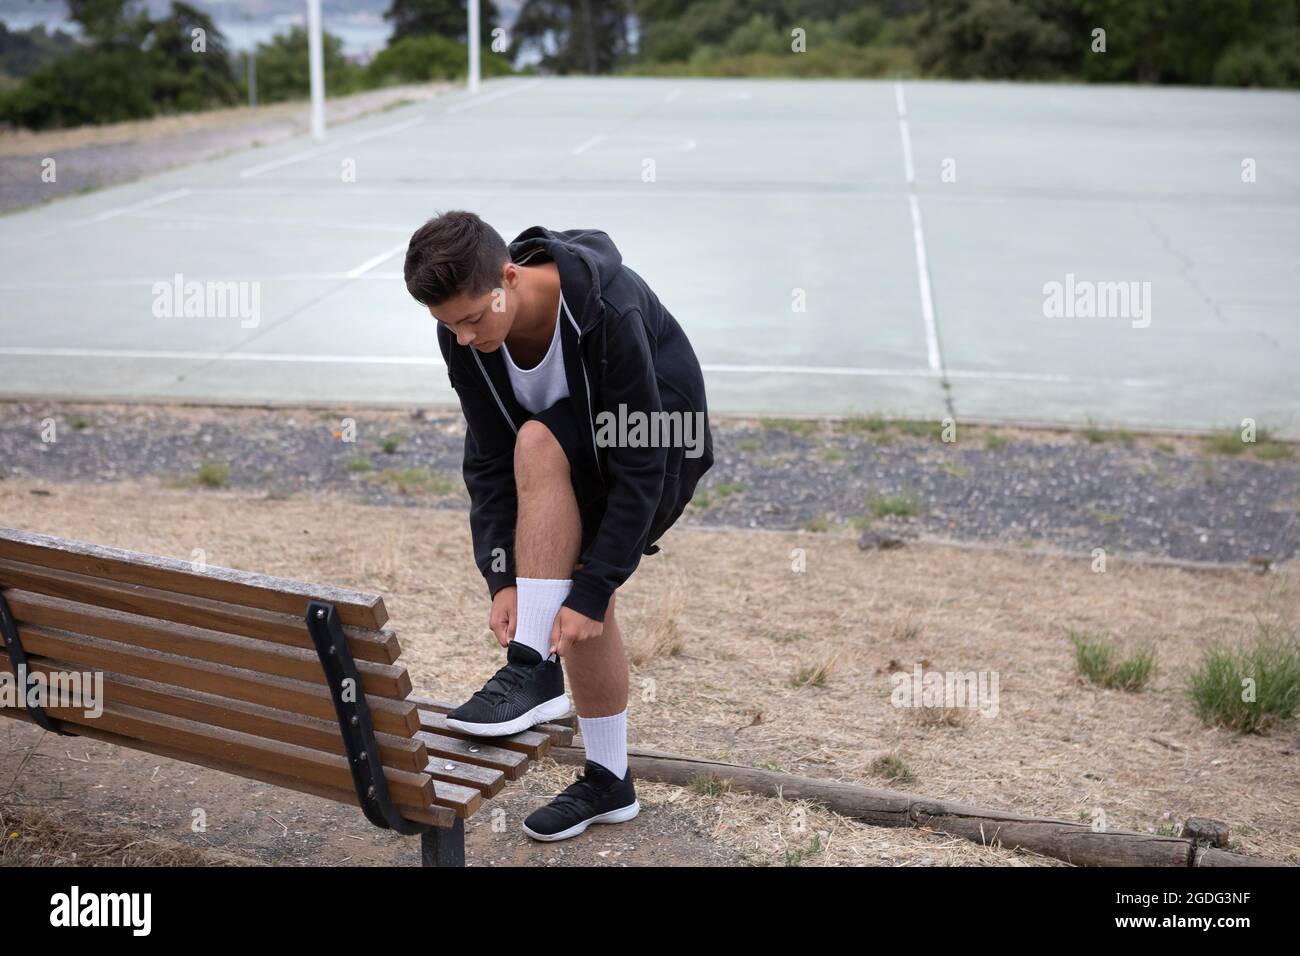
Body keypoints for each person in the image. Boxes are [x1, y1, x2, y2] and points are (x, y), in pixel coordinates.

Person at [403, 211, 714, 842]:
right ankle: (609, 782)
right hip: (567, 451)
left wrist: (599, 583)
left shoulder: (609, 310)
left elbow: (642, 461)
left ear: (509, 279)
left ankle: (533, 668)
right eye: (448, 326)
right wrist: (502, 580)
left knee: (544, 454)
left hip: (657, 444)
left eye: (471, 320)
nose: (463, 339)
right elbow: (487, 457)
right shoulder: (465, 334)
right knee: (565, 583)